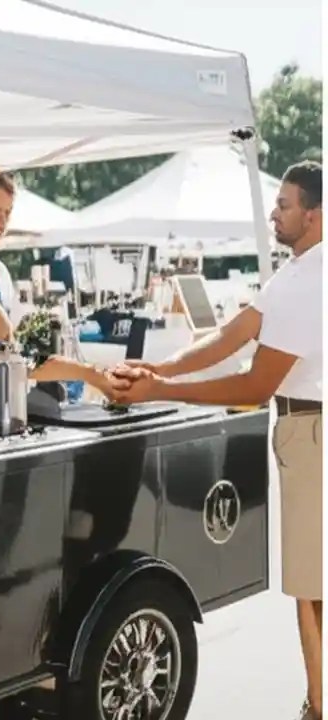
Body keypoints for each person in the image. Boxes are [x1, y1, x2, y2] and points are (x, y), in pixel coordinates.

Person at [111, 160, 322, 720]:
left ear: (315, 214)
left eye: (285, 204)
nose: (275, 212)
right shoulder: (295, 274)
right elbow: (226, 337)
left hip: (313, 433)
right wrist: (159, 370)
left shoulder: (313, 281)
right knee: (312, 585)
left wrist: (161, 391)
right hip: (304, 430)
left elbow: (255, 384)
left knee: (313, 586)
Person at [0, 164, 120, 396]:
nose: (2, 222)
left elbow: (15, 355)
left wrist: (90, 373)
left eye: (7, 213)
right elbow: (1, 341)